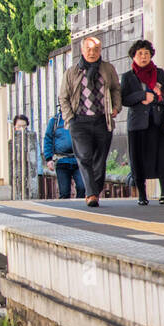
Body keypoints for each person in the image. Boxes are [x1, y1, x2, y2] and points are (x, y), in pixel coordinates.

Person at [58, 35, 121, 207]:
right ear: (82, 50)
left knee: (100, 159)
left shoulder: (107, 69)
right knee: (84, 156)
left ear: (100, 50)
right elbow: (63, 98)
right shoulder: (72, 72)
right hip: (79, 121)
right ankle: (91, 193)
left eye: (96, 49)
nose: (92, 53)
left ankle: (95, 191)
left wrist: (116, 107)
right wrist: (70, 118)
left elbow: (116, 88)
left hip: (102, 120)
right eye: (89, 49)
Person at [120, 39, 164, 205]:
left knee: (162, 156)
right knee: (138, 159)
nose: (143, 56)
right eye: (140, 53)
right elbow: (124, 99)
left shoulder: (159, 73)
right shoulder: (127, 77)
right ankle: (142, 195)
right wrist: (142, 96)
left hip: (158, 121)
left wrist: (155, 98)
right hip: (137, 124)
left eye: (146, 53)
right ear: (133, 56)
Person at [42, 109, 85, 199]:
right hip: (62, 161)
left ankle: (80, 209)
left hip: (79, 160)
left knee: (82, 188)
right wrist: (49, 159)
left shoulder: (81, 119)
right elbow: (48, 140)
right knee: (64, 192)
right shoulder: (54, 121)